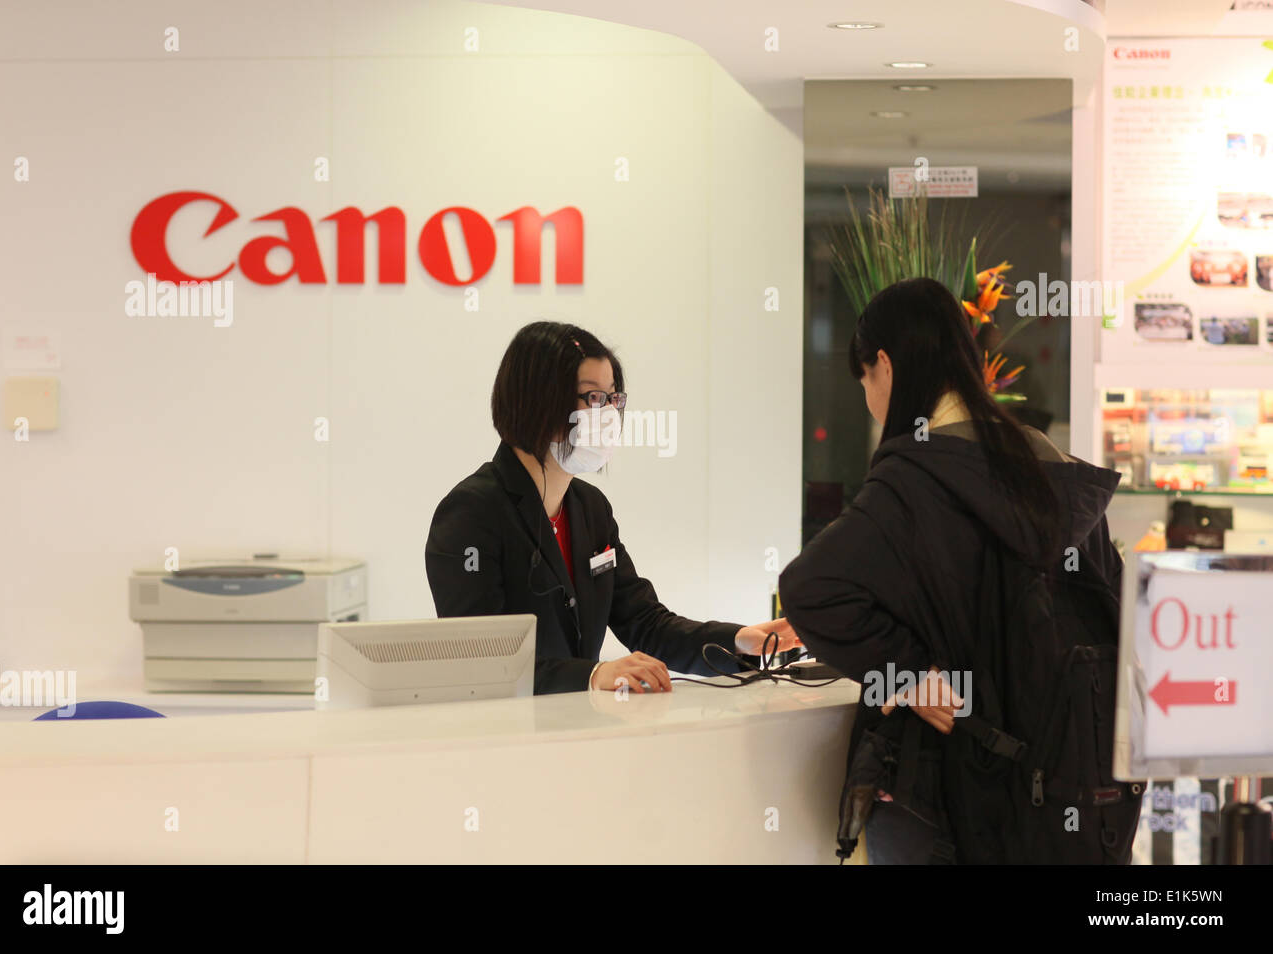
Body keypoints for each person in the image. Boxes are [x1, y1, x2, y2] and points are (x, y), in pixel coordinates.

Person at [778, 277, 1127, 864]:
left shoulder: (913, 477)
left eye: (864, 380)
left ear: (884, 366)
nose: (868, 398)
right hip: (1072, 791)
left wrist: (906, 671)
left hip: (948, 796)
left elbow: (808, 588)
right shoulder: (1050, 467)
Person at [426, 320, 798, 694]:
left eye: (612, 398)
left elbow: (644, 622)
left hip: (583, 733)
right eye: (592, 397)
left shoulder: (591, 509)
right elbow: (481, 661)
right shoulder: (471, 513)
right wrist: (591, 675)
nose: (606, 413)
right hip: (507, 738)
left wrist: (739, 640)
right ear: (537, 399)